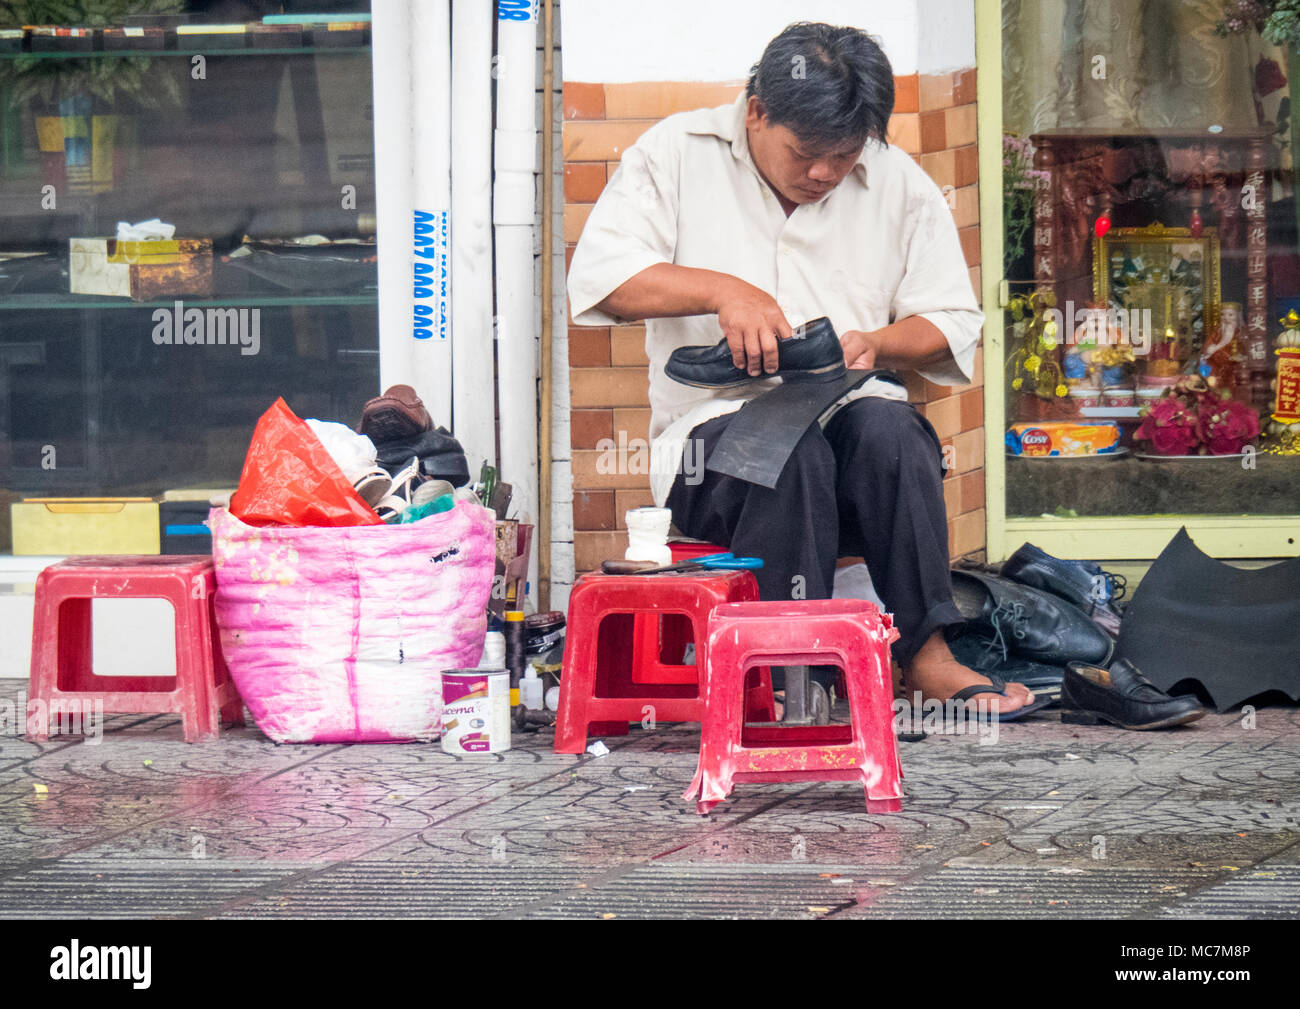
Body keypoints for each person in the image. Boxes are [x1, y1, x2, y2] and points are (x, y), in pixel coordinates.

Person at [567, 22, 1033, 715]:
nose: (823, 174)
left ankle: (927, 656)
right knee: (789, 455)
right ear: (757, 111)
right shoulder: (676, 154)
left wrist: (875, 343)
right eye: (806, 153)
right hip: (712, 443)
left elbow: (953, 322)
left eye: (843, 157)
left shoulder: (897, 181)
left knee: (895, 432)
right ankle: (789, 672)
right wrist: (723, 291)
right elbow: (602, 280)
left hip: (848, 423)